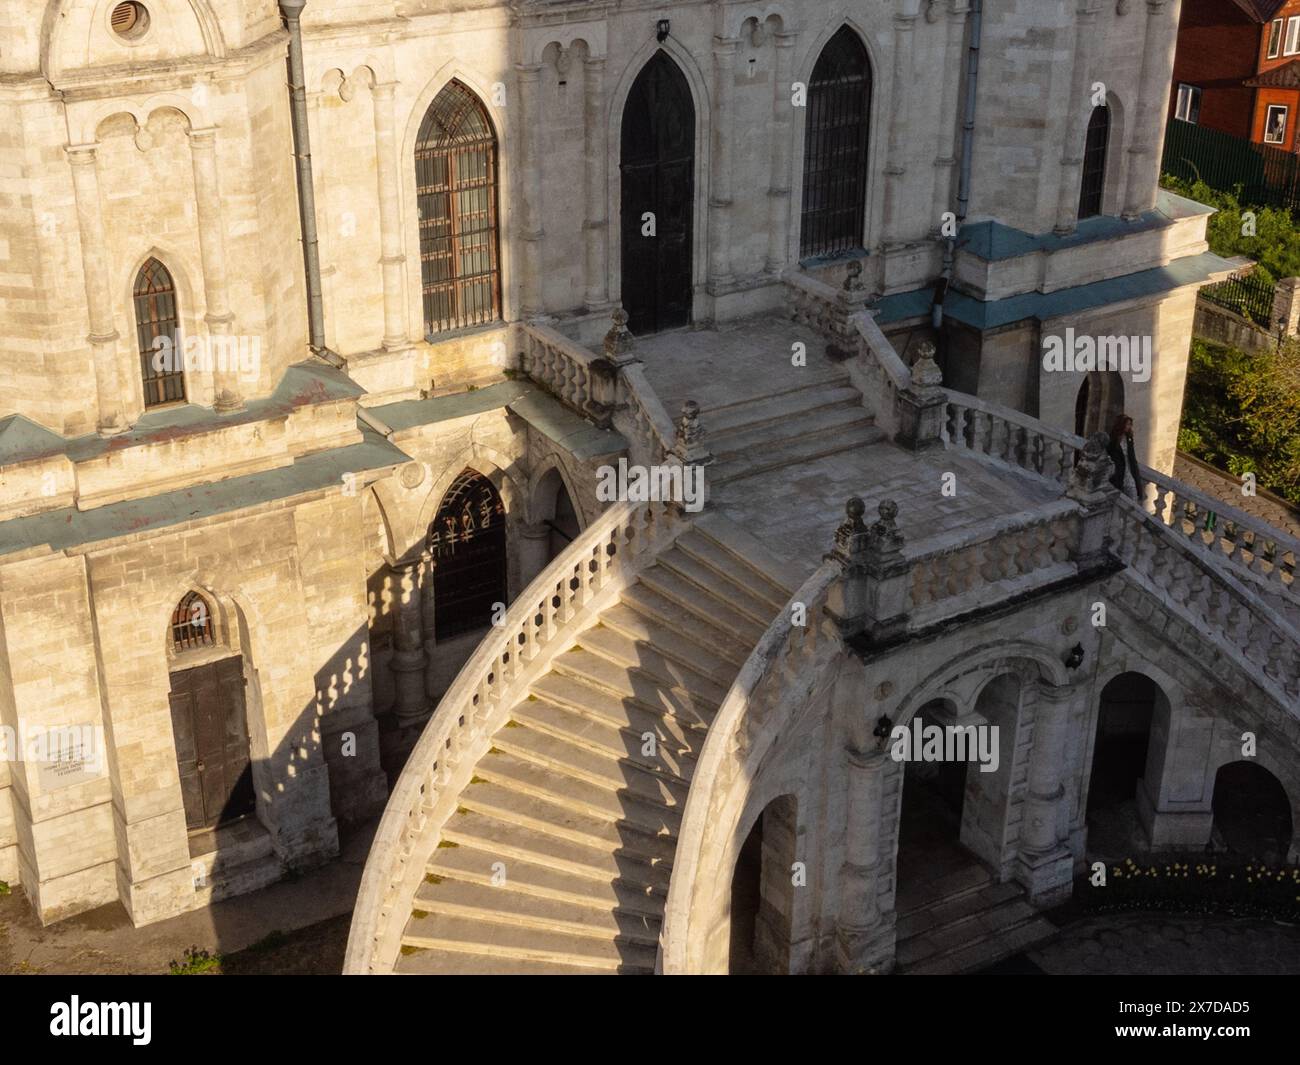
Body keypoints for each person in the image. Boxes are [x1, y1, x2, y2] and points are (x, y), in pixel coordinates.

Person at [1107, 414, 1145, 500]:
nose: (1129, 426)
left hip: (1129, 470)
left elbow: (1132, 455)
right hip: (1118, 472)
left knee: (1133, 494)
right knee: (1120, 498)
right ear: (1121, 424)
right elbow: (1109, 454)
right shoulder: (1113, 439)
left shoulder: (1129, 437)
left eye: (1130, 424)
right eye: (1127, 424)